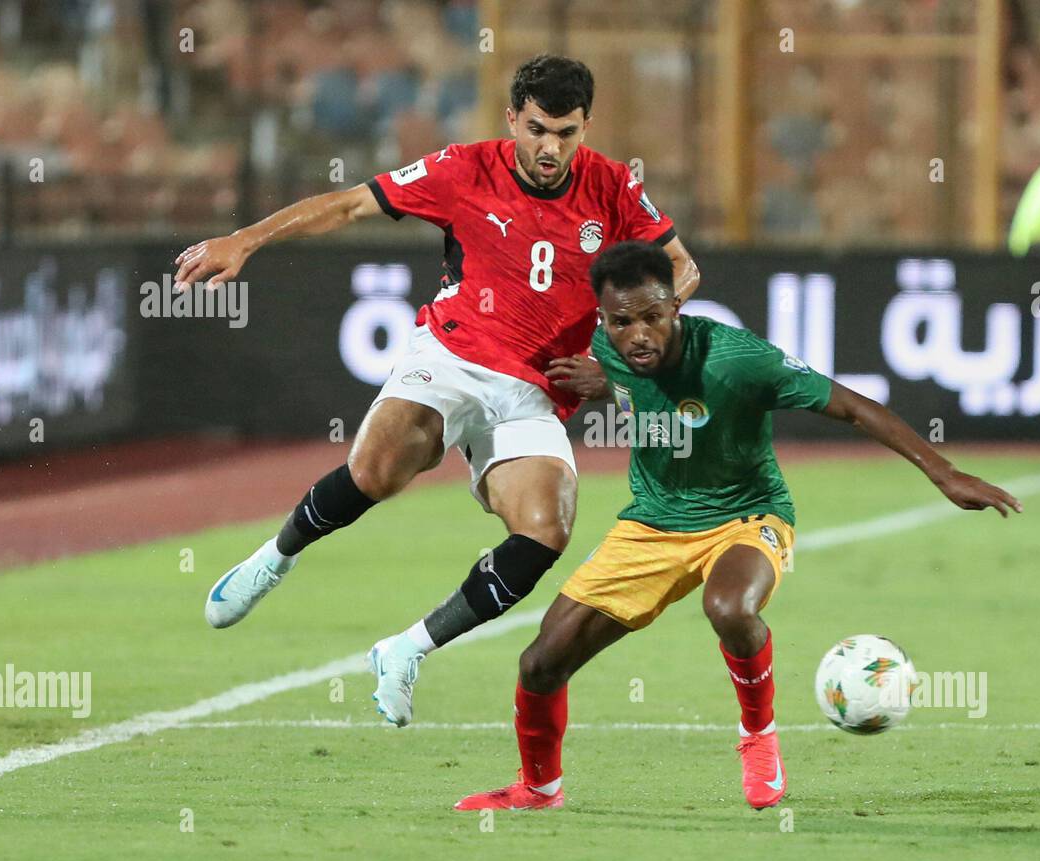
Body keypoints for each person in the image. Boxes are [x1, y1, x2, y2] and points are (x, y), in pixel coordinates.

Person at [173, 56, 698, 727]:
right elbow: (350, 203)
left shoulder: (614, 187)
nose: (550, 147)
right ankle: (273, 559)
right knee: (380, 469)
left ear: (585, 127)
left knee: (545, 531)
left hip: (537, 388)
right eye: (538, 129)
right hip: (452, 354)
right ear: (512, 119)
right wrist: (246, 239)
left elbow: (682, 269)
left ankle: (405, 650)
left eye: (566, 133)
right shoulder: (462, 168)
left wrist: (623, 348)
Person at [456, 241, 1021, 811]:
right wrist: (606, 381)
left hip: (747, 515)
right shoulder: (606, 348)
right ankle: (538, 789)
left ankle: (759, 735)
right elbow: (612, 372)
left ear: (676, 305)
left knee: (728, 608)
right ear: (603, 319)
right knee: (540, 663)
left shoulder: (737, 359)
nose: (639, 335)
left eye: (653, 317)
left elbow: (852, 406)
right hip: (652, 524)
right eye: (621, 322)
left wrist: (943, 472)